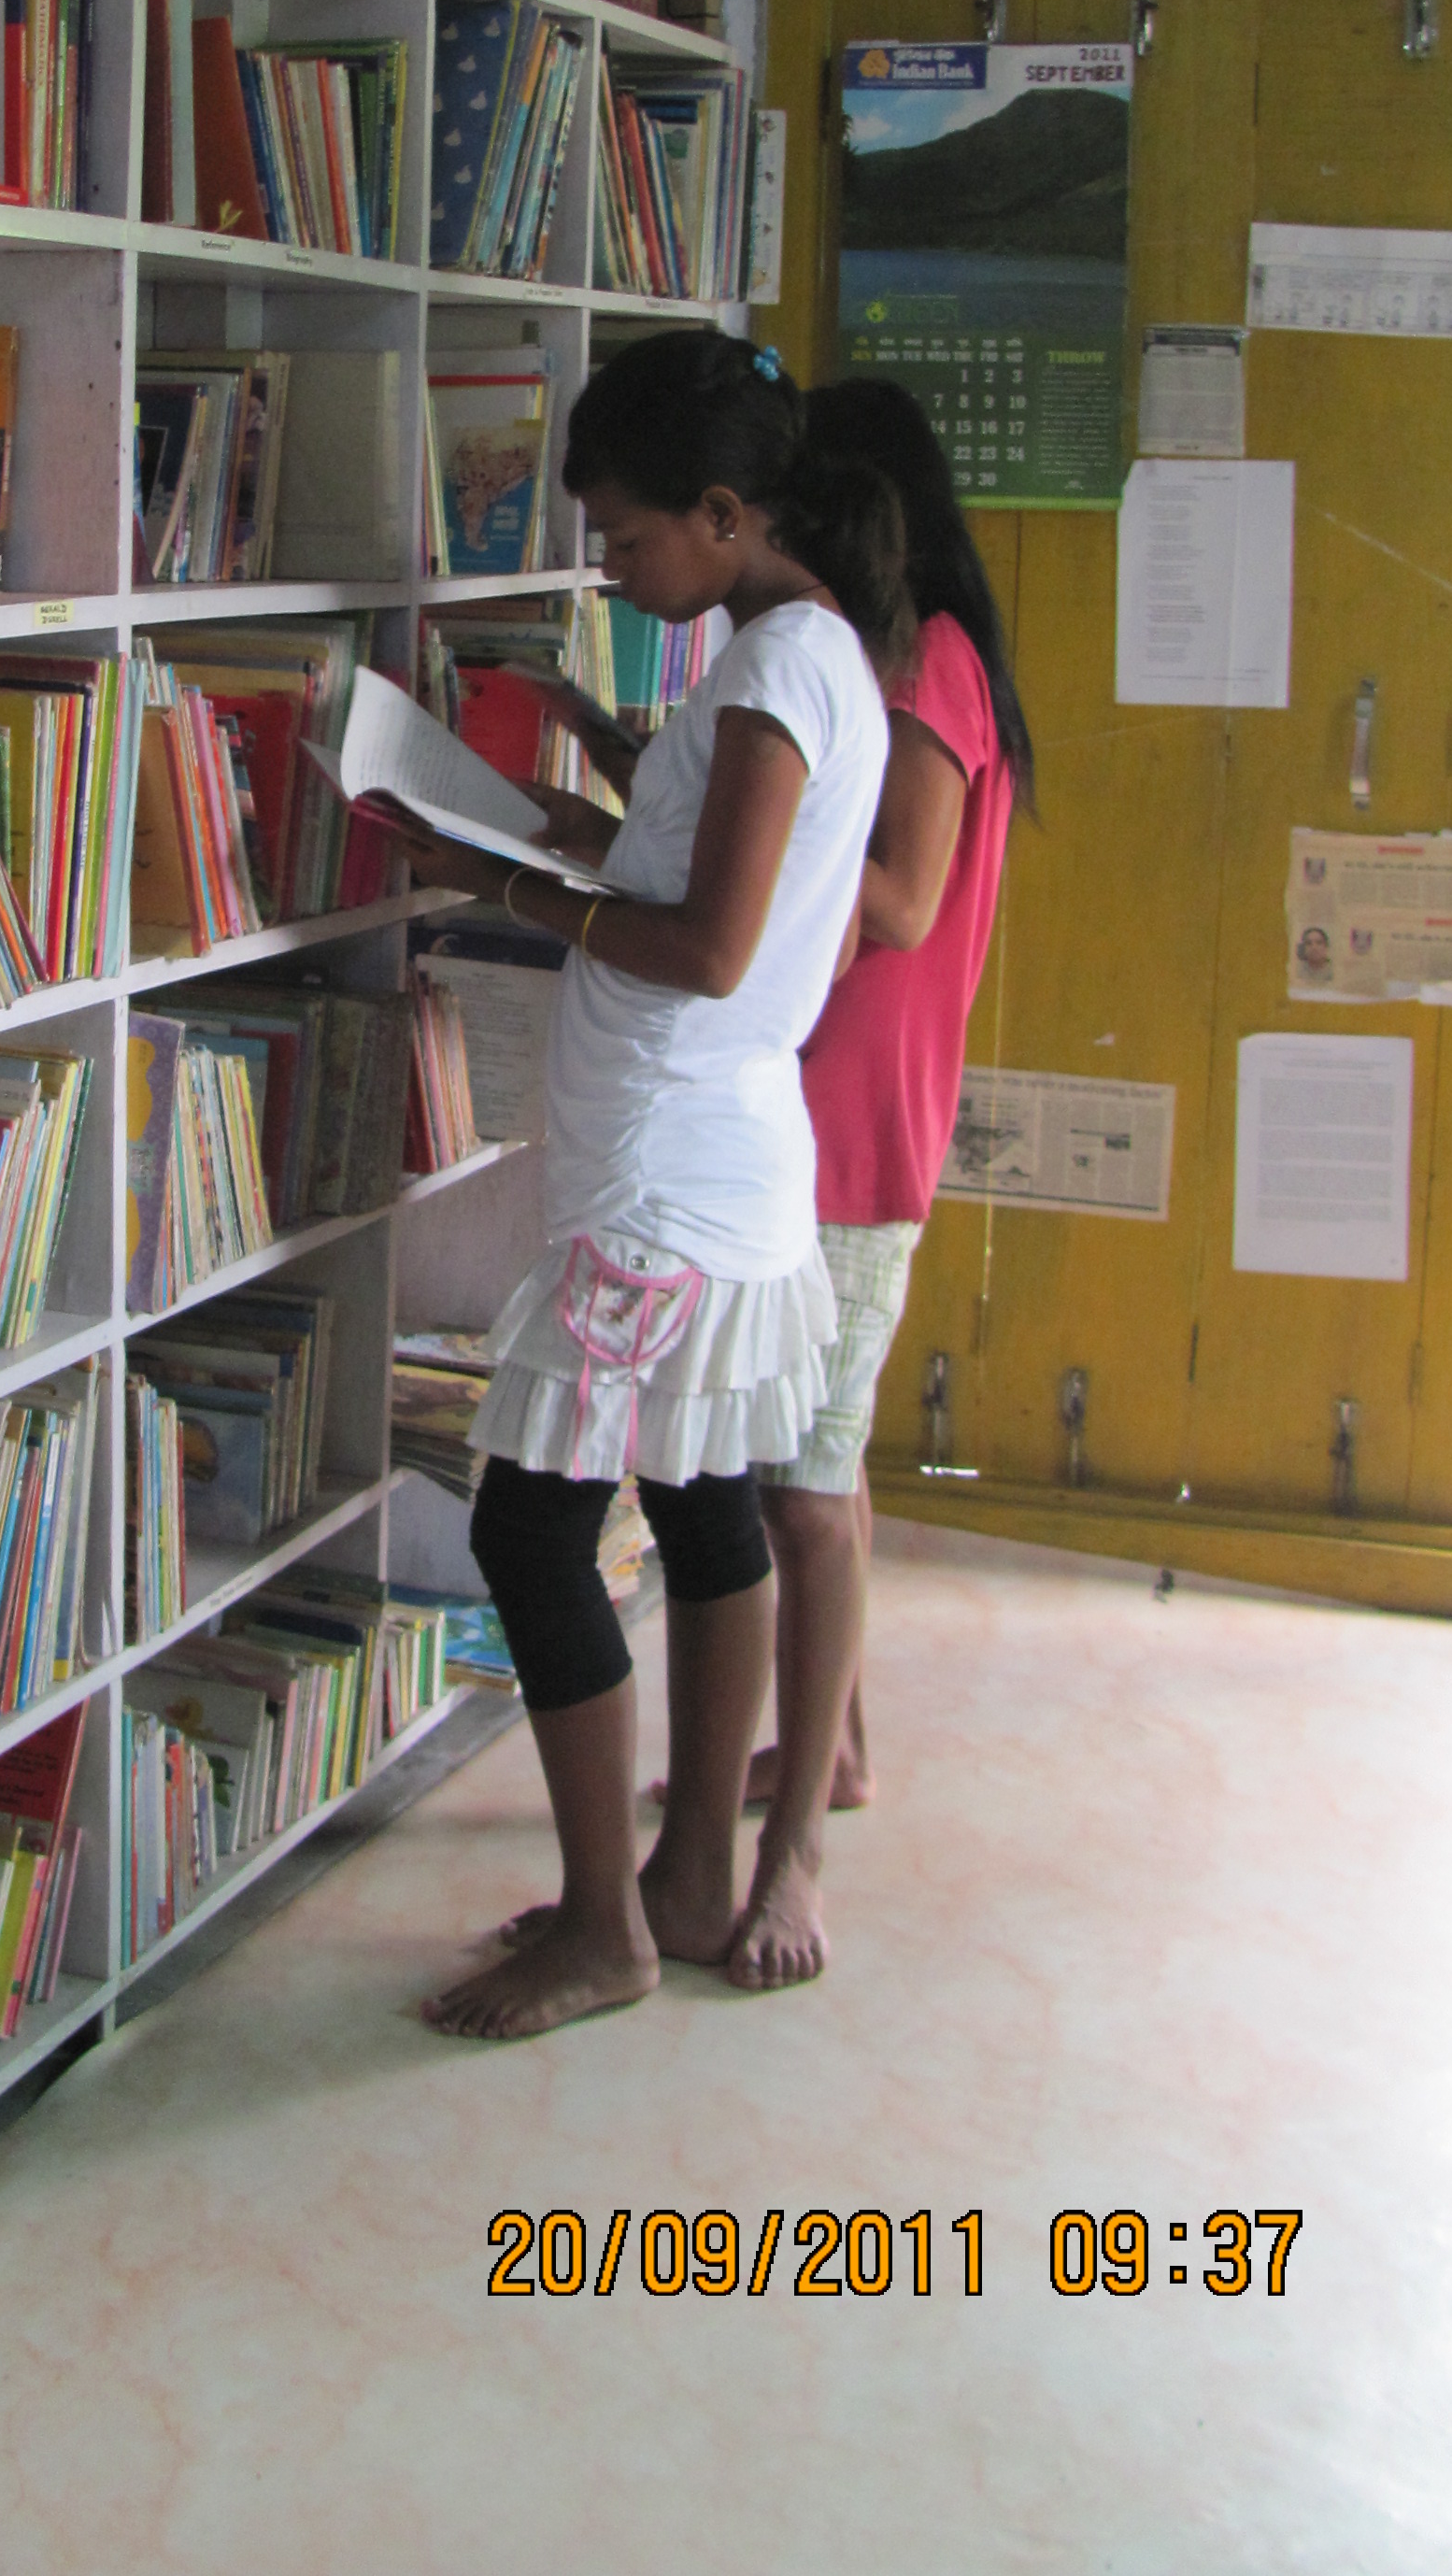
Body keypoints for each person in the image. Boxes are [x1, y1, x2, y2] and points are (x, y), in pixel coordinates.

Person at [375, 333, 907, 2039]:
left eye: (624, 533)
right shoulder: (804, 653)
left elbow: (706, 947)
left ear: (728, 512)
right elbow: (703, 885)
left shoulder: (772, 676)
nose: (610, 564)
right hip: (711, 1160)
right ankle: (680, 1881)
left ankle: (607, 1924)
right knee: (701, 1505)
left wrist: (507, 892)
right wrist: (555, 831)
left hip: (664, 1187)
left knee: (530, 1526)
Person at [725, 374, 1031, 1989]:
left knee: (802, 1485)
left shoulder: (933, 663)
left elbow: (901, 898)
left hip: (858, 1116)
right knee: (819, 1467)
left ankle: (798, 1859)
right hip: (818, 1099)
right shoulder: (878, 653)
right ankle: (827, 1749)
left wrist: (748, 841)